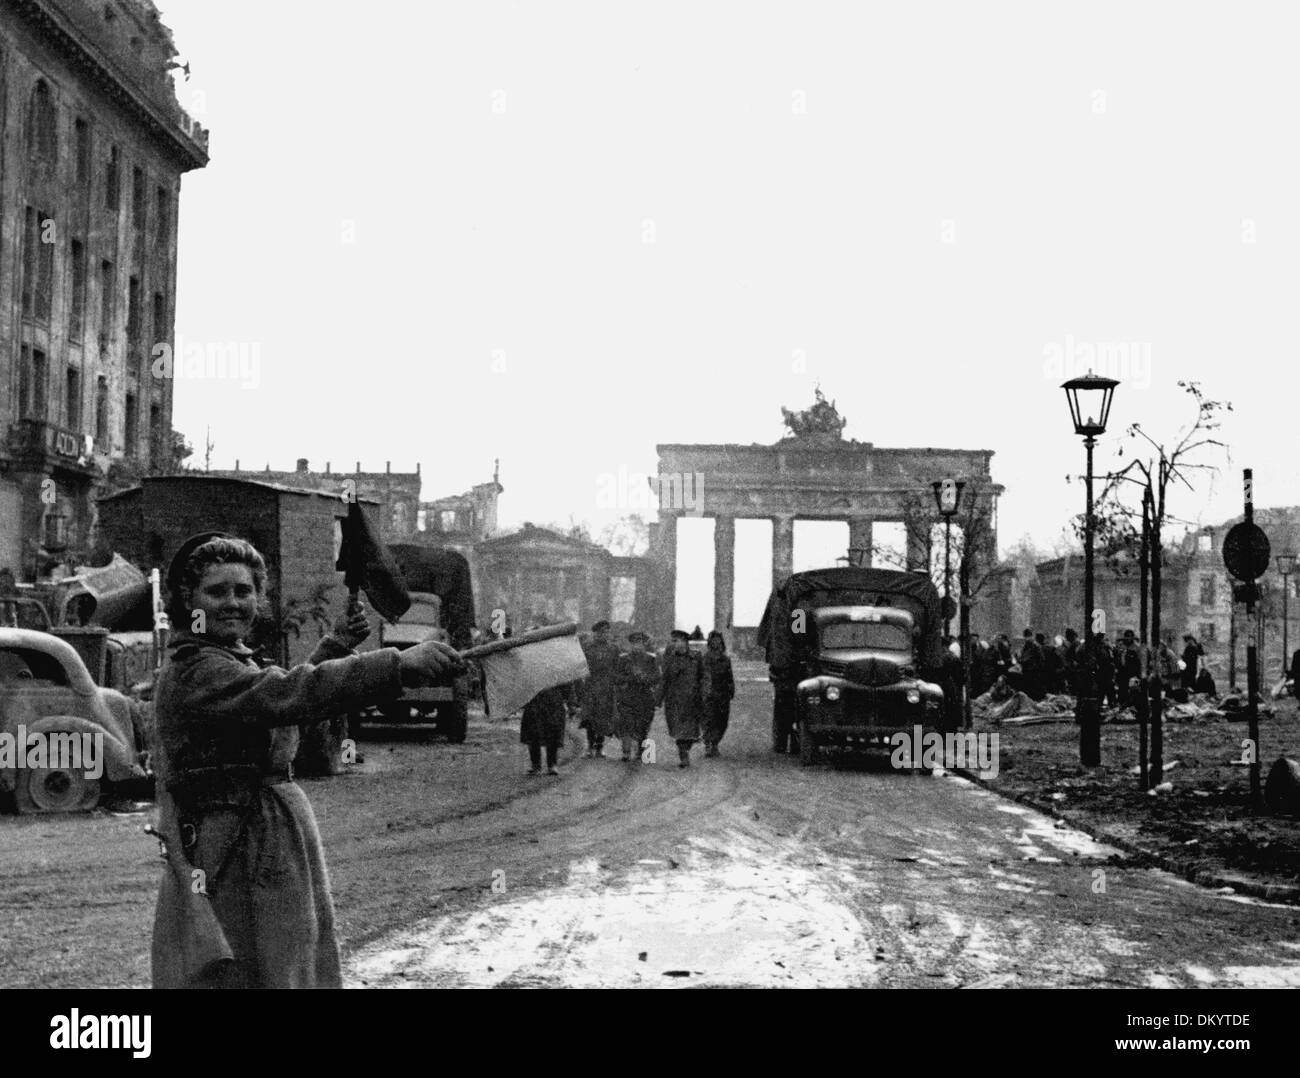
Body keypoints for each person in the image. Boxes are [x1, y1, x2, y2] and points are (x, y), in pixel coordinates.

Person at [151, 533, 461, 989]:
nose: (233, 603)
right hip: (232, 844)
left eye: (245, 591)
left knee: (285, 959)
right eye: (216, 592)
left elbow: (279, 706)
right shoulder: (196, 668)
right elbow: (283, 694)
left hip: (260, 834)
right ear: (186, 600)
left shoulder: (226, 659)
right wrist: (396, 665)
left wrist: (334, 648)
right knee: (241, 968)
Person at [658, 629, 704, 768]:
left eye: (676, 641)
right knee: (678, 730)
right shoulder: (669, 658)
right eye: (673, 641)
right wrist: (658, 698)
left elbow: (703, 677)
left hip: (692, 700)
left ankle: (686, 748)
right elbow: (664, 679)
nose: (674, 644)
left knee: (690, 731)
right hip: (674, 700)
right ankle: (683, 755)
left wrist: (704, 693)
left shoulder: (696, 657)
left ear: (684, 641)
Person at [613, 631, 660, 761]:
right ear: (631, 644)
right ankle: (626, 752)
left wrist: (644, 679)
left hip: (644, 697)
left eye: (639, 643)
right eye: (634, 643)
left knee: (643, 725)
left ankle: (641, 750)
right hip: (627, 696)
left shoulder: (651, 659)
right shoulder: (623, 659)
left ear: (644, 644)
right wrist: (629, 678)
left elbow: (657, 677)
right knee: (626, 723)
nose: (637, 646)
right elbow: (616, 677)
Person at [578, 620, 618, 758]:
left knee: (603, 717)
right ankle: (589, 747)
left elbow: (617, 667)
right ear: (595, 634)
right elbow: (581, 665)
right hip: (591, 685)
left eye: (606, 632)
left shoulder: (613, 648)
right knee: (589, 717)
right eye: (601, 632)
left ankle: (599, 747)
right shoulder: (587, 647)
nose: (604, 635)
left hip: (606, 687)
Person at [521, 682, 575, 775]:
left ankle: (552, 764)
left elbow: (567, 686)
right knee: (533, 733)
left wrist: (571, 704)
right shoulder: (530, 669)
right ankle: (536, 764)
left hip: (553, 704)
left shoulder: (558, 670)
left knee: (553, 733)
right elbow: (522, 686)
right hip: (534, 702)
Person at [701, 630, 735, 757]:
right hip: (709, 694)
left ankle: (715, 744)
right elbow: (702, 677)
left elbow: (729, 675)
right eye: (713, 640)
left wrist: (731, 690)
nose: (716, 642)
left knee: (722, 721)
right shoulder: (705, 659)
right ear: (710, 642)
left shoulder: (725, 659)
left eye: (718, 640)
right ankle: (708, 745)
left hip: (723, 695)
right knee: (709, 720)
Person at [1018, 629, 1044, 701]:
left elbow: (1041, 659)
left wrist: (1038, 669)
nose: (1027, 638)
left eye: (1028, 636)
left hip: (1034, 671)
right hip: (1027, 671)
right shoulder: (1025, 647)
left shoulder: (1035, 646)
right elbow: (1022, 657)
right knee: (1028, 689)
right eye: (1026, 637)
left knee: (1034, 690)